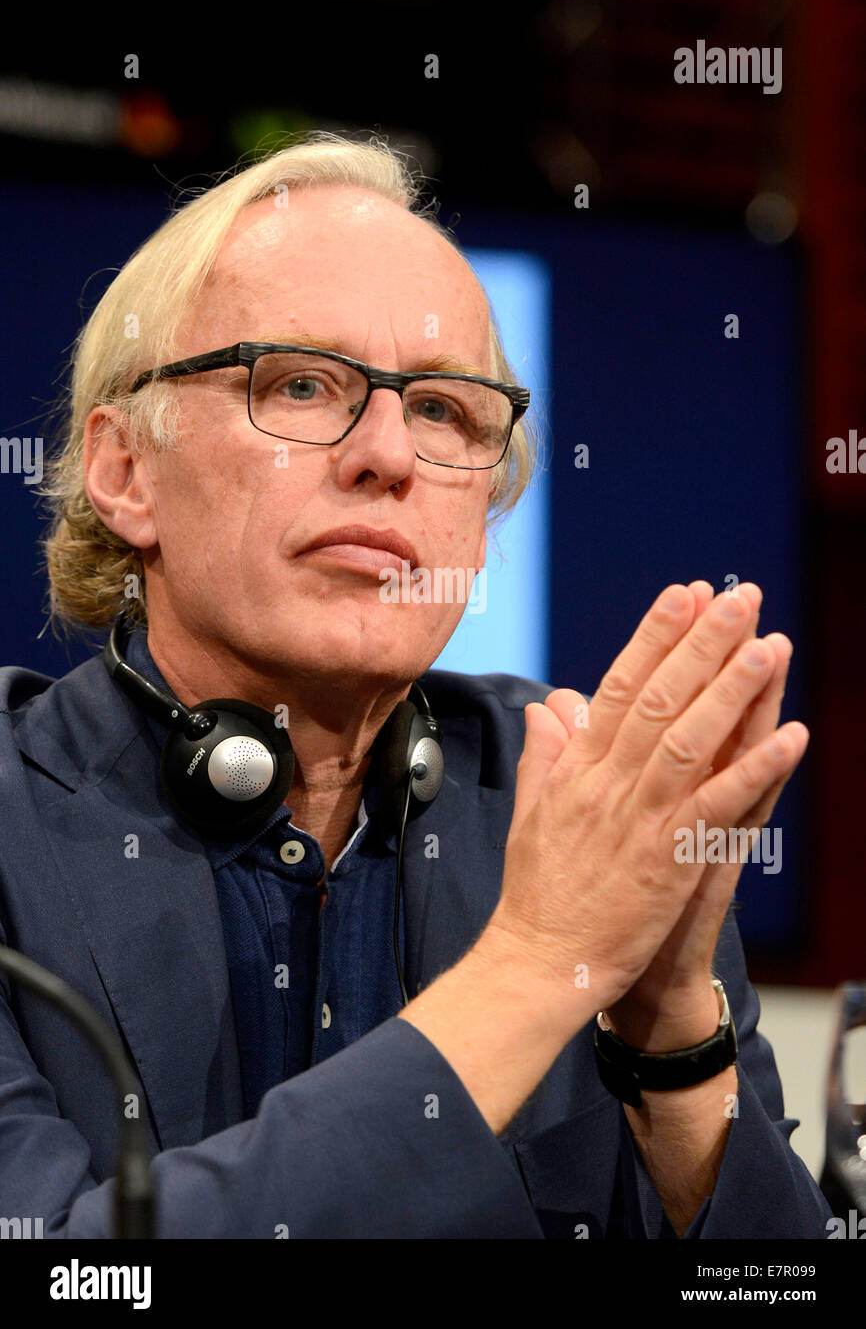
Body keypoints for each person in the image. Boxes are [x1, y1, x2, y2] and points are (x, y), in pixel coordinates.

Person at [0, 132, 831, 1238]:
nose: (387, 453)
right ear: (123, 471)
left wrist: (671, 1032)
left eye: (443, 411)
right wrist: (532, 970)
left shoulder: (578, 803)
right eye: (300, 384)